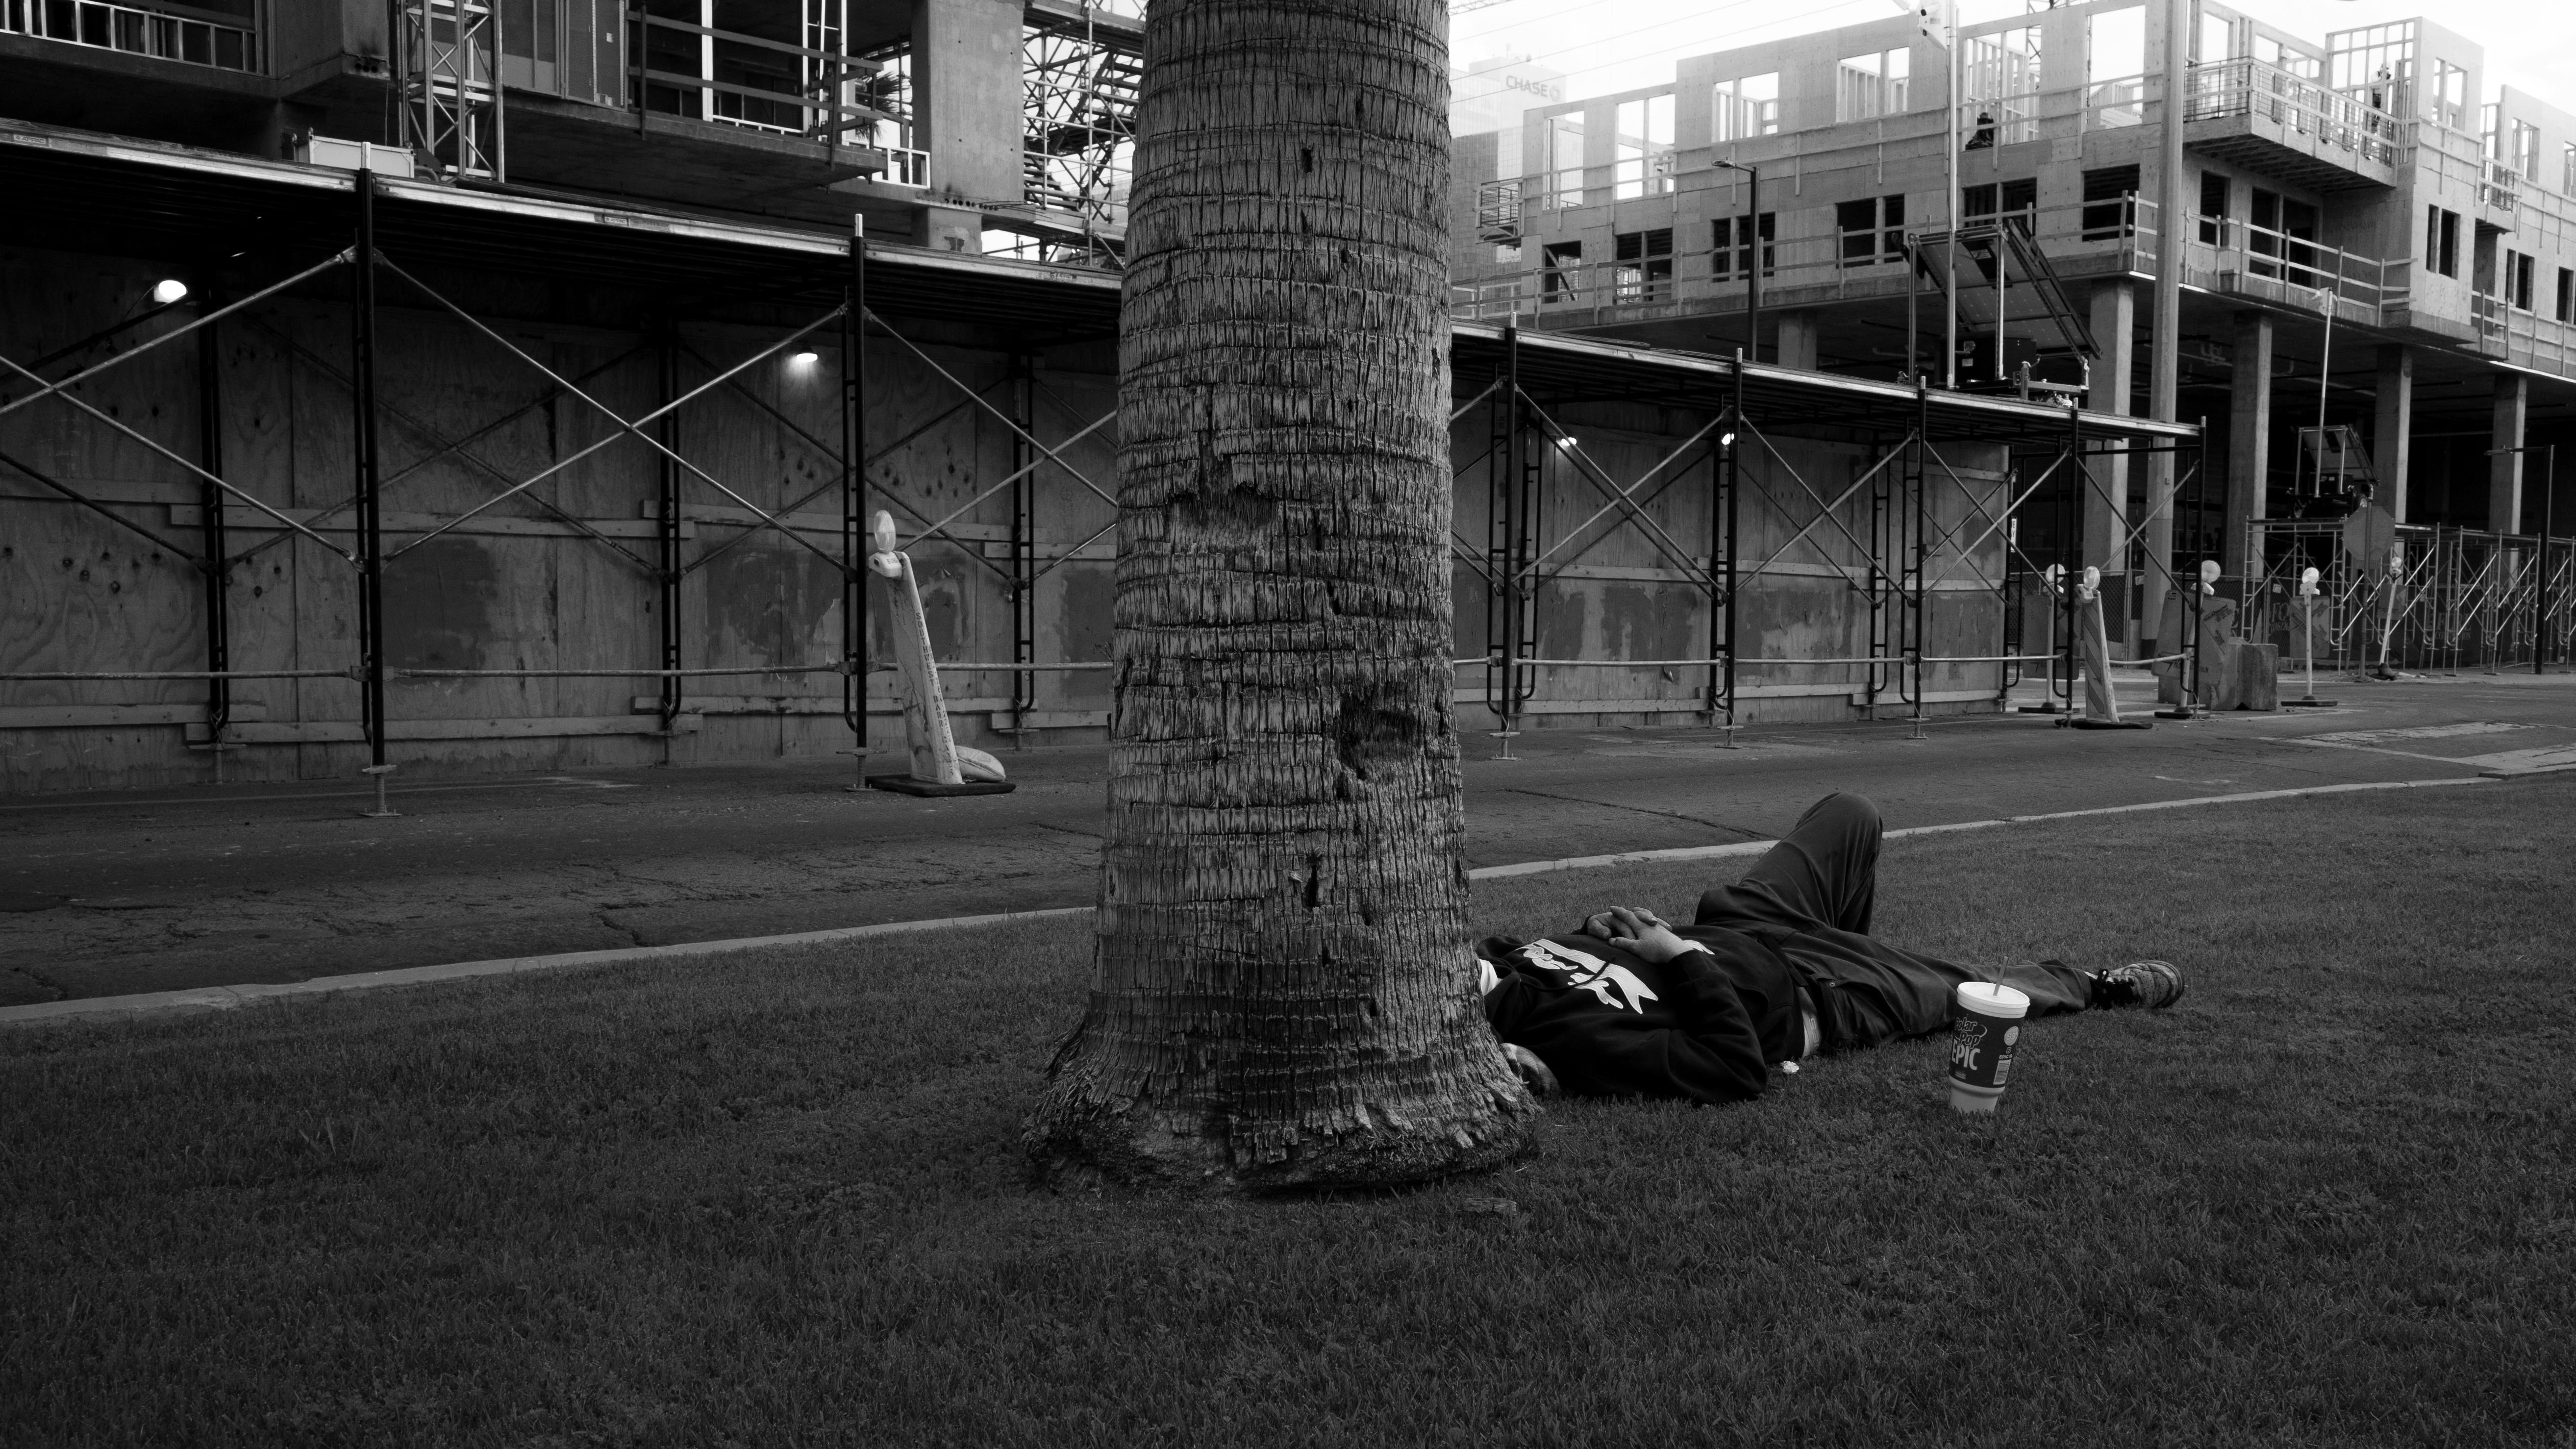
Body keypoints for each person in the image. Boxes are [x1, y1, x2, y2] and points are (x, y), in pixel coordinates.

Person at [1475, 792, 2183, 1104]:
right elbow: (1731, 1069)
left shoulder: (1504, 962)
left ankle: (1857, 947)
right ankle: (2097, 983)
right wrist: (1675, 957)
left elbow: (1546, 952)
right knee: (1972, 991)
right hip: (1809, 992)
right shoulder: (1562, 1039)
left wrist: (1601, 926)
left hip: (1741, 920)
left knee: (1852, 814)